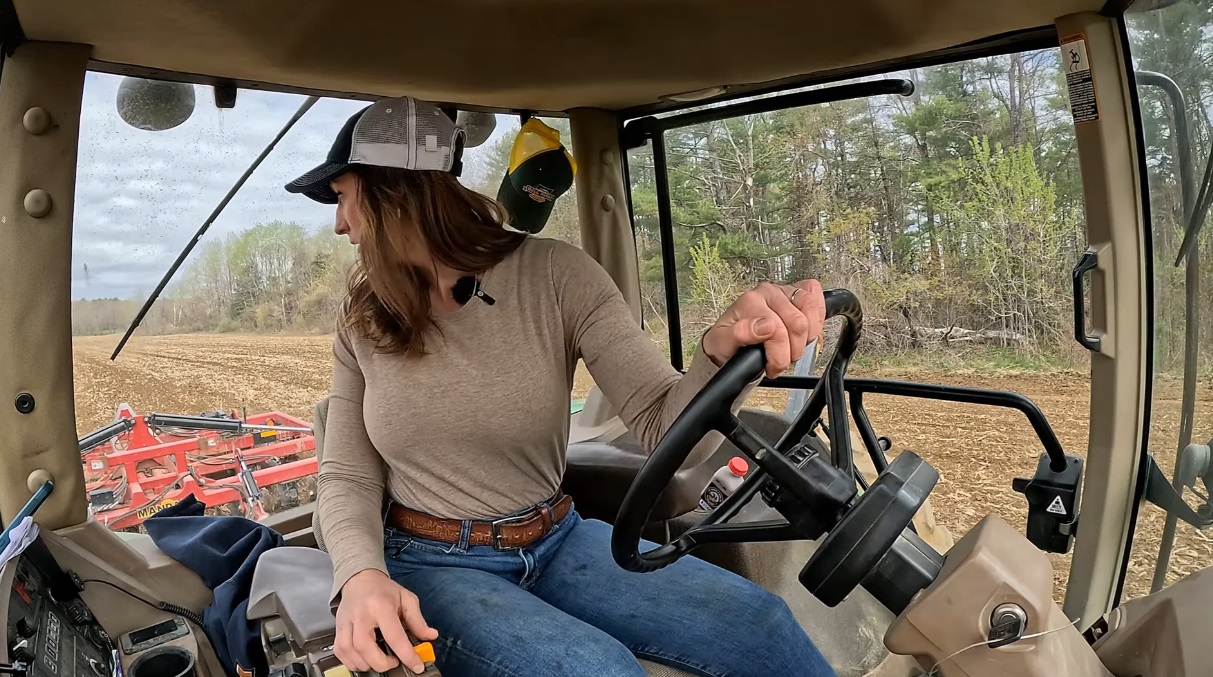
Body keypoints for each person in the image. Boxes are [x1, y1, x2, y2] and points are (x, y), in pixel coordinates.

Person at [285, 96, 834, 677]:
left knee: (759, 623)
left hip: (557, 538)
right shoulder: (362, 316)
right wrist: (360, 574)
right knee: (598, 670)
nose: (340, 223)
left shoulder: (557, 275)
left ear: (392, 192)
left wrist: (719, 358)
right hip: (432, 564)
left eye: (343, 196)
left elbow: (663, 425)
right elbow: (347, 474)